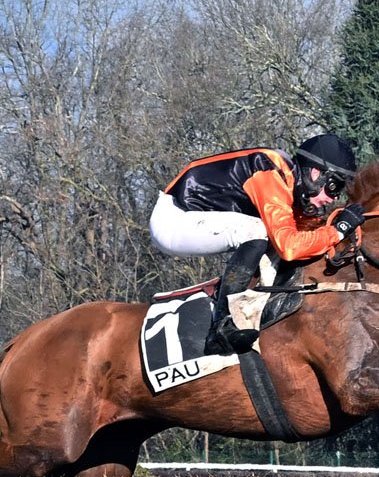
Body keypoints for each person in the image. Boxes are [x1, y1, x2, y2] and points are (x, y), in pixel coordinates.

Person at [150, 133, 366, 353]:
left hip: (194, 217)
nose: (333, 198)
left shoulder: (291, 183)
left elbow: (305, 237)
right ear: (315, 173)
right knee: (258, 231)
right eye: (333, 187)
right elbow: (290, 247)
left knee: (267, 235)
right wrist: (337, 232)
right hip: (173, 218)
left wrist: (335, 231)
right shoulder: (270, 173)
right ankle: (221, 328)